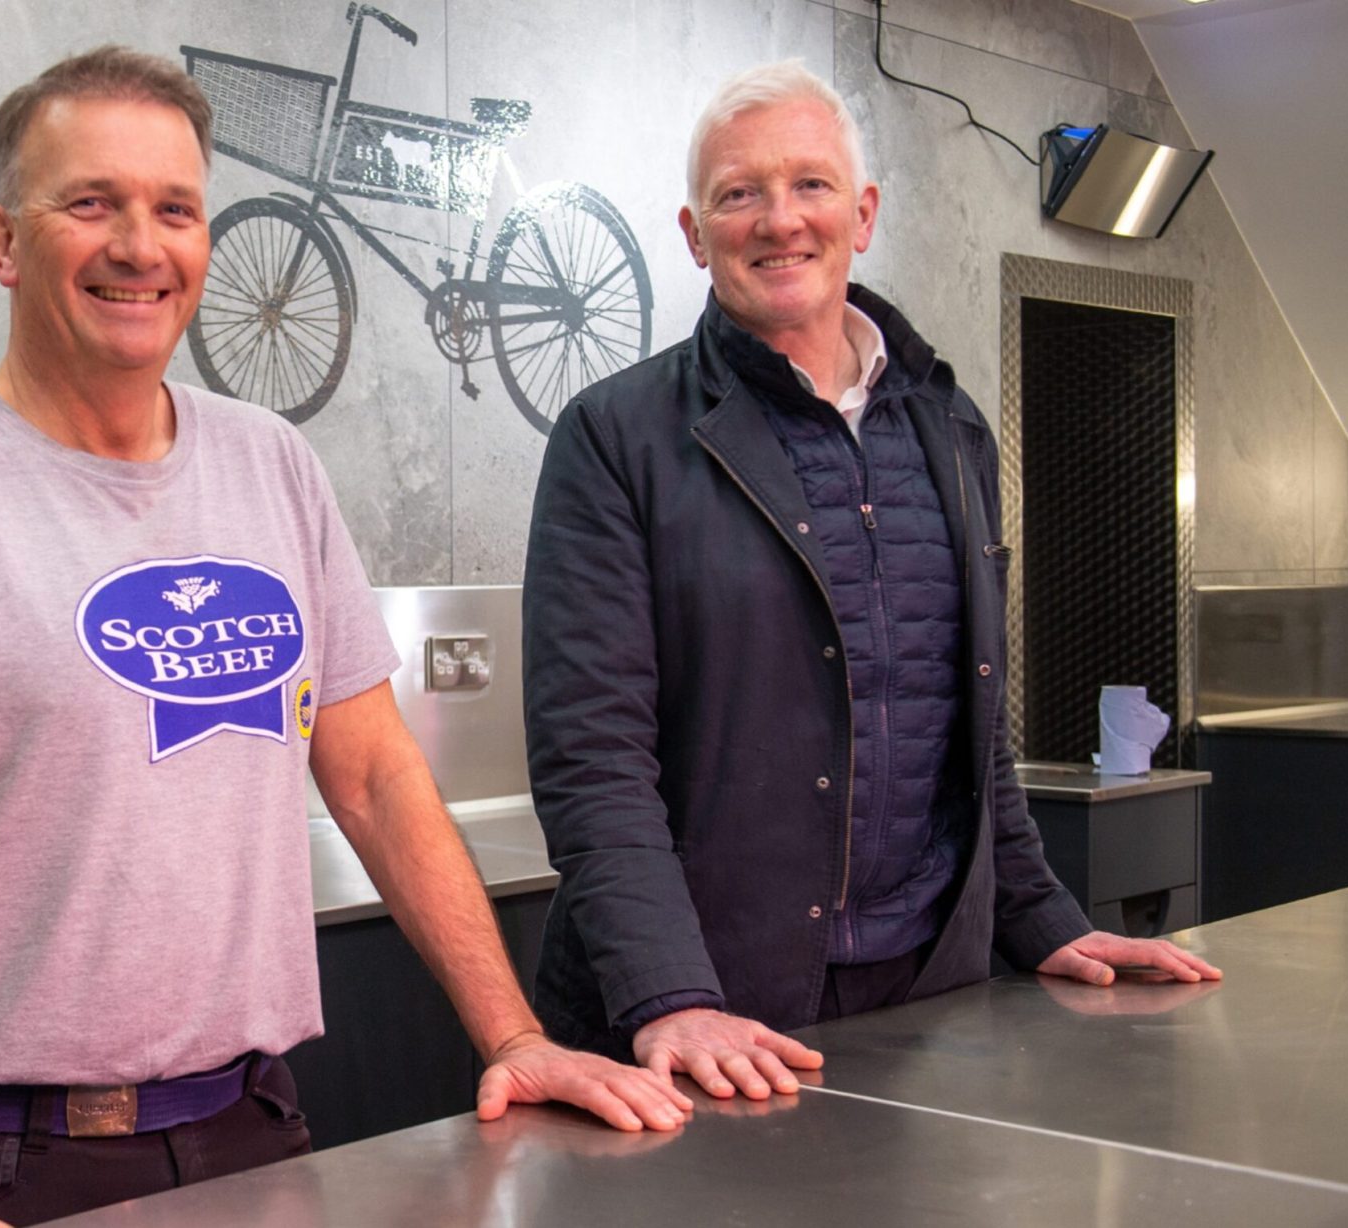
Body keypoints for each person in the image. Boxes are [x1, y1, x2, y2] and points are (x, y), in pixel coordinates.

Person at [0, 46, 688, 1228]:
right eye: (89, 203)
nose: (139, 246)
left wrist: (513, 1032)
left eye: (174, 210)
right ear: (3, 241)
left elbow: (381, 776)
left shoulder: (271, 466)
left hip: (255, 1136)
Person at [521, 60, 1220, 1105]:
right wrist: (668, 995)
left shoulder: (950, 429)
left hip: (926, 998)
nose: (777, 220)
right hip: (702, 1022)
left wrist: (1045, 922)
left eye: (807, 185)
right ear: (691, 231)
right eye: (736, 193)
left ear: (863, 212)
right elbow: (592, 760)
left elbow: (970, 731)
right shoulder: (614, 439)